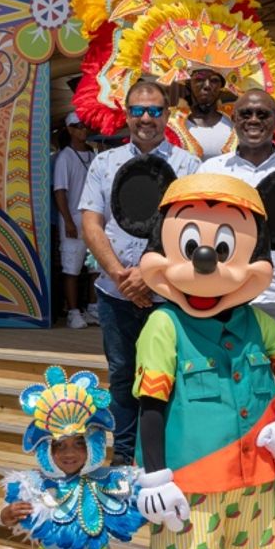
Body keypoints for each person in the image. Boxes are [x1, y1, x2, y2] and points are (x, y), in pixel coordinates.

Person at [112, 159, 275, 549]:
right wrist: (154, 477)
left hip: (254, 478)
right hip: (190, 484)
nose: (208, 260)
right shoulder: (164, 326)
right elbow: (151, 407)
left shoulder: (258, 323)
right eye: (191, 245)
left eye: (226, 248)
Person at [78, 78, 200, 464]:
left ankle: (166, 455)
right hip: (116, 294)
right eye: (137, 110)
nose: (146, 118)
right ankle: (125, 458)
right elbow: (92, 223)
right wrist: (120, 276)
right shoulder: (104, 162)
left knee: (168, 373)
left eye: (154, 110)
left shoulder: (188, 166)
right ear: (126, 114)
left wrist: (148, 275)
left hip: (169, 292)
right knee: (121, 374)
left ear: (168, 115)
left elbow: (190, 230)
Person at [0, 367, 147, 549]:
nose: (69, 453)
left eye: (79, 443)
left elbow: (140, 509)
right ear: (46, 449)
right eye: (59, 445)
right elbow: (6, 519)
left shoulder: (113, 481)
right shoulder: (32, 485)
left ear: (93, 443)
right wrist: (9, 514)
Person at [199, 90, 275, 322]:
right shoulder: (210, 172)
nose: (253, 120)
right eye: (246, 114)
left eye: (262, 114)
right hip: (221, 299)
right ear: (234, 119)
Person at [54, 111, 99, 329]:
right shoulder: (65, 157)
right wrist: (69, 221)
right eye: (79, 126)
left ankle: (92, 308)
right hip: (73, 220)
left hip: (93, 220)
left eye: (85, 125)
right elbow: (60, 192)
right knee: (71, 268)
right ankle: (72, 311)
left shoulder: (93, 155)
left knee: (95, 267)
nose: (83, 129)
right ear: (70, 130)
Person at [174, 68, 236, 159]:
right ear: (189, 84)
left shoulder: (236, 122)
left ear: (221, 87)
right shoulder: (173, 122)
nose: (207, 85)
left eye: (214, 80)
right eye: (199, 79)